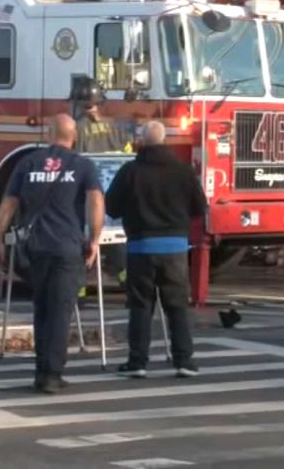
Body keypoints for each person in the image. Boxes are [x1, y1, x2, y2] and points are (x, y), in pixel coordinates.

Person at [0, 114, 105, 394]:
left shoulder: (27, 163)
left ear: (49, 133)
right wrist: (95, 238)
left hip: (35, 247)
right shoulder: (82, 165)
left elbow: (9, 203)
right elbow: (96, 201)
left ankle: (42, 369)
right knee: (60, 311)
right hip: (67, 248)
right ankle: (51, 374)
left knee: (42, 308)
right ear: (73, 135)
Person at [105, 121, 205, 378]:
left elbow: (112, 207)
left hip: (141, 247)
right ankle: (184, 360)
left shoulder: (130, 171)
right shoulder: (183, 171)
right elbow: (199, 207)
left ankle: (137, 362)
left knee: (140, 306)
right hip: (175, 248)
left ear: (142, 141)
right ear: (164, 141)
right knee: (177, 306)